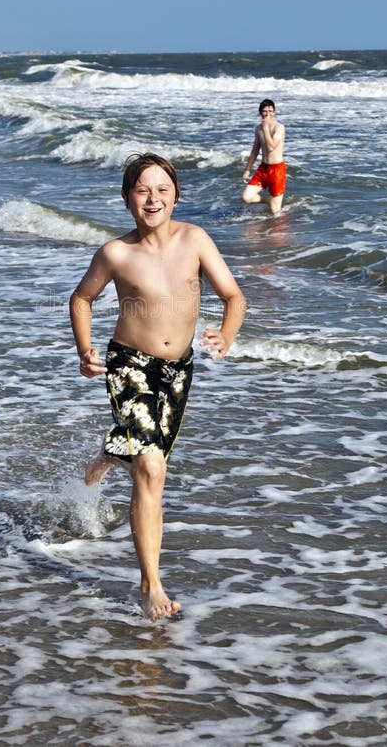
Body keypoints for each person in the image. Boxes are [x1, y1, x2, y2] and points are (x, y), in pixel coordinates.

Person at [70, 153, 246, 620]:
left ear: (176, 195)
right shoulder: (116, 253)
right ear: (127, 198)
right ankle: (151, 585)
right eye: (143, 190)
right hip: (128, 365)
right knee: (152, 469)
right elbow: (82, 298)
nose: (153, 199)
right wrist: (85, 350)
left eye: (162, 190)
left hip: (178, 372)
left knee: (146, 456)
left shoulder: (195, 240)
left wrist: (226, 334)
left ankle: (112, 451)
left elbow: (233, 296)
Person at [241, 98, 286, 214]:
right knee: (246, 197)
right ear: (260, 112)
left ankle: (278, 231)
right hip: (263, 168)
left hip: (277, 170)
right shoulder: (258, 129)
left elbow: (271, 147)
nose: (268, 114)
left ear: (274, 112)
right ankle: (269, 199)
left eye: (270, 111)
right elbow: (255, 150)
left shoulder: (279, 128)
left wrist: (266, 128)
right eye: (265, 111)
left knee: (275, 211)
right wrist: (247, 169)